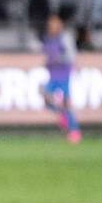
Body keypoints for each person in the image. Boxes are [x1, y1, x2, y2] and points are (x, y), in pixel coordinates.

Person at [41, 13, 81, 143]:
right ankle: (63, 116)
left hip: (64, 75)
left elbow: (71, 56)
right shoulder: (48, 38)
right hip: (53, 75)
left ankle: (74, 131)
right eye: (50, 24)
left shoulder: (65, 38)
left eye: (54, 24)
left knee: (66, 103)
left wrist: (57, 59)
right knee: (46, 99)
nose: (51, 26)